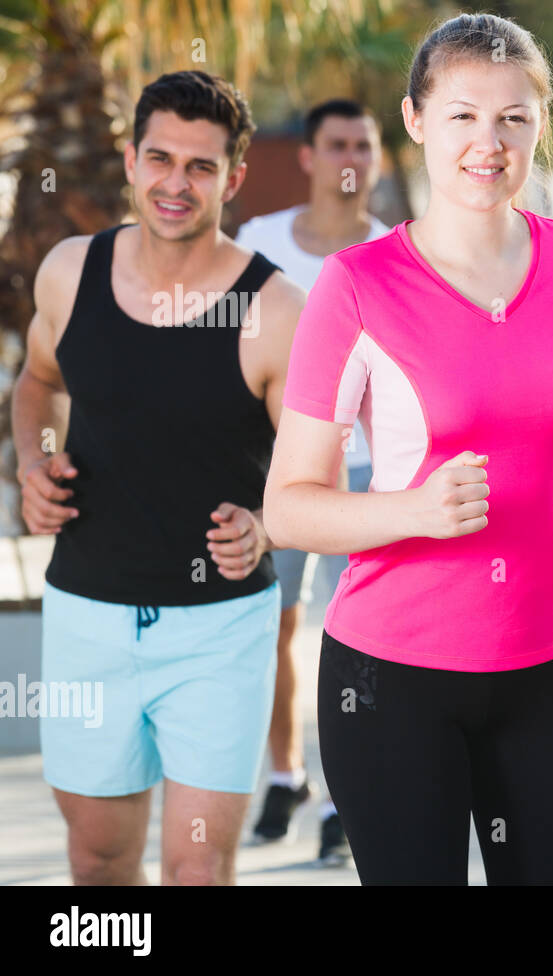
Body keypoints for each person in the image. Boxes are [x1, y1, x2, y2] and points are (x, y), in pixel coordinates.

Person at [263, 12, 553, 885]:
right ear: (415, 121)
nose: (490, 141)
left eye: (514, 117)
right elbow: (287, 505)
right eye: (464, 114)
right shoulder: (357, 285)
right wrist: (415, 512)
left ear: (540, 127)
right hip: (392, 678)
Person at [13, 70, 305, 884]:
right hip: (87, 616)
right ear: (133, 161)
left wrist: (269, 525)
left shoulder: (276, 311)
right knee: (97, 857)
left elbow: (316, 467)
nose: (176, 183)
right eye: (160, 159)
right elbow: (38, 381)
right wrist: (36, 459)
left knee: (197, 864)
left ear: (234, 178)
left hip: (219, 630)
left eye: (202, 166)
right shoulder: (71, 272)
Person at [234, 97, 390, 863]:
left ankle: (339, 797)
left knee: (351, 635)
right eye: (336, 144)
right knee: (280, 625)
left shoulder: (399, 249)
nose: (349, 157)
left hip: (369, 473)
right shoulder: (261, 243)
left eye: (364, 143)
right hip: (279, 474)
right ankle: (285, 775)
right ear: (308, 156)